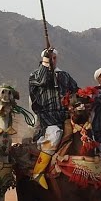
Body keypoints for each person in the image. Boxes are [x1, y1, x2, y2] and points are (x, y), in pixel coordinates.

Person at [27, 48, 80, 188]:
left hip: (66, 116)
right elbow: (42, 80)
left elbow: (76, 91)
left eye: (54, 58)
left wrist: (75, 103)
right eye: (50, 58)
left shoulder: (65, 76)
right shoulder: (34, 76)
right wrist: (46, 63)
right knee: (55, 135)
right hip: (47, 116)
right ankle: (38, 172)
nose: (53, 60)